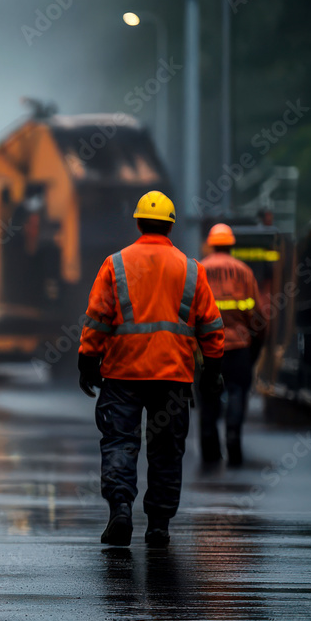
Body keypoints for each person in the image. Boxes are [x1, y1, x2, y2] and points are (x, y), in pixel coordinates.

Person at [77, 191, 225, 547]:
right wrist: (213, 368)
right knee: (166, 450)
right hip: (172, 377)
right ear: (171, 225)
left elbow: (98, 318)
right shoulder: (192, 269)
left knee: (119, 442)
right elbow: (210, 325)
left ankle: (121, 511)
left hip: (123, 374)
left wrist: (87, 359)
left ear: (139, 222)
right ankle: (158, 525)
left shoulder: (116, 264)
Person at [200, 223, 266, 466]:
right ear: (231, 244)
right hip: (239, 347)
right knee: (237, 392)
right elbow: (258, 316)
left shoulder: (200, 270)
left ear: (211, 243)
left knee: (208, 397)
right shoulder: (244, 271)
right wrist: (256, 346)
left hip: (207, 349)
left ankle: (209, 449)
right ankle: (233, 440)